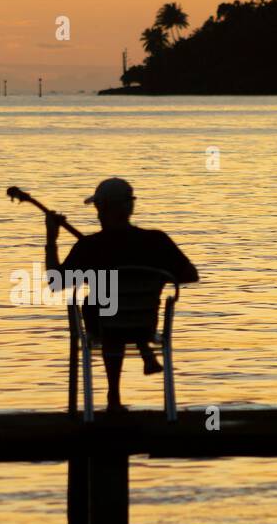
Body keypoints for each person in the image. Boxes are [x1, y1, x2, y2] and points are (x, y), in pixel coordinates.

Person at [44, 177, 199, 413]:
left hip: (106, 329)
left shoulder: (90, 247)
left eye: (98, 207)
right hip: (144, 326)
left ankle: (113, 394)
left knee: (97, 303)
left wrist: (51, 240)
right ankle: (144, 354)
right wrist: (155, 275)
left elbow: (56, 283)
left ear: (104, 209)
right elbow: (190, 275)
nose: (96, 213)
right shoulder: (156, 240)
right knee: (109, 303)